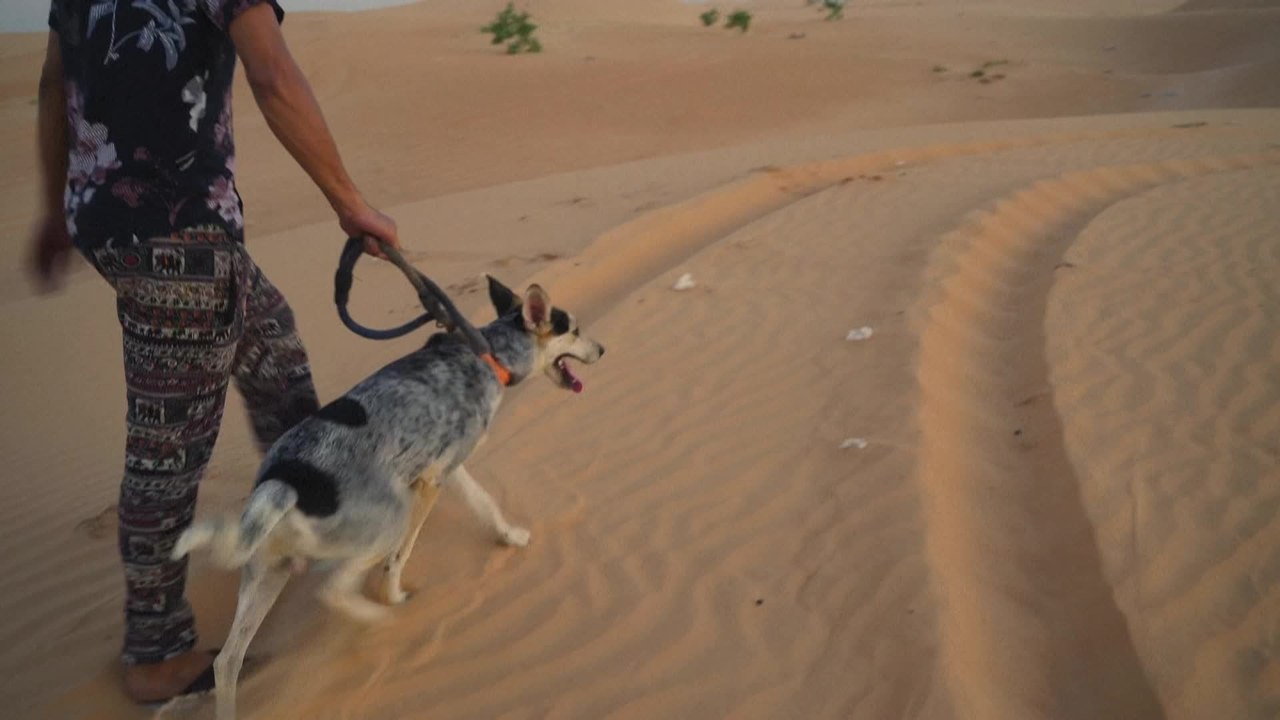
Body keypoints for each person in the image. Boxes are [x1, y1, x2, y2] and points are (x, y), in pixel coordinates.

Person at [29, 0, 400, 703]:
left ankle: (303, 519)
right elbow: (273, 77)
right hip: (177, 230)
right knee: (167, 448)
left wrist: (57, 210)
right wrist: (351, 202)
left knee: (273, 350)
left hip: (116, 219)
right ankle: (154, 650)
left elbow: (56, 86)